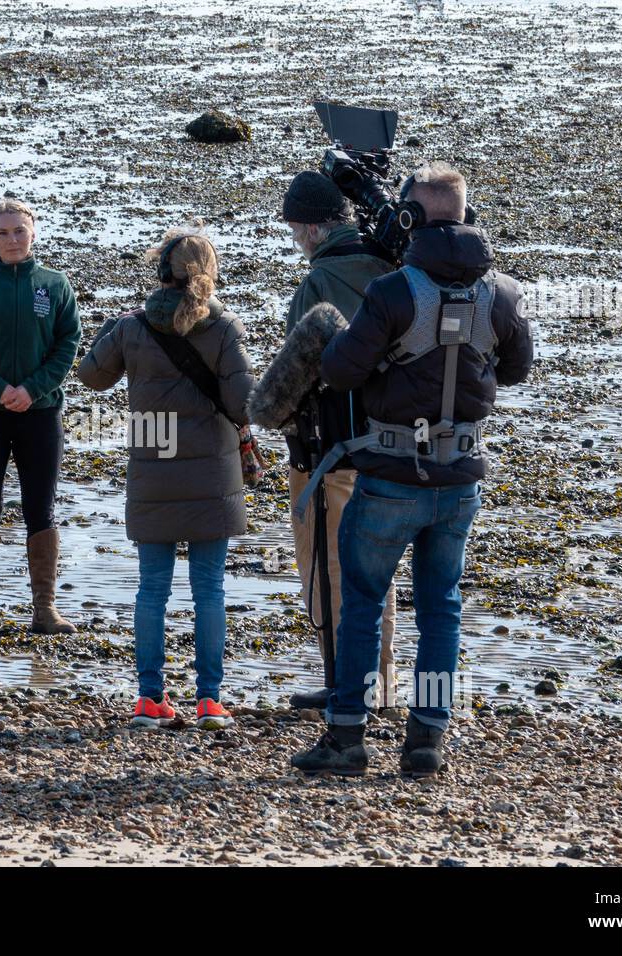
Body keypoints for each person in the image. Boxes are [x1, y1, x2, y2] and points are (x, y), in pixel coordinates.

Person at [291, 162, 533, 777]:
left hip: (391, 473)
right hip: (459, 478)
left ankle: (346, 737)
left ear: (411, 217)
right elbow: (516, 369)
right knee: (441, 609)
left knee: (363, 603)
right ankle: (426, 739)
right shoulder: (501, 292)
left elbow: (342, 370)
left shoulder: (395, 290)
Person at [78, 226, 256, 730]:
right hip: (212, 474)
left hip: (152, 469)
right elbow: (245, 404)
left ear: (162, 273)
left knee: (151, 589)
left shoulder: (132, 327)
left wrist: (114, 328)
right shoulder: (225, 329)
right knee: (210, 590)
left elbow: (91, 375)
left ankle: (149, 699)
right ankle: (209, 700)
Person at [277, 170, 399, 712]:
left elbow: (300, 368)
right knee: (377, 567)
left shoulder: (318, 282)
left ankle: (340, 679)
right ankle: (384, 679)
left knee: (326, 565)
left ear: (308, 227)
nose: (295, 240)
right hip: (391, 442)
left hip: (330, 446)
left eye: (294, 229)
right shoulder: (391, 264)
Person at [0, 198, 81, 635]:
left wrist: (31, 389)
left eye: (19, 231)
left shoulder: (55, 284)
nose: (12, 239)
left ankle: (45, 607)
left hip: (40, 414)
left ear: (33, 233)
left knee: (40, 511)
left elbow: (68, 345)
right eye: (2, 233)